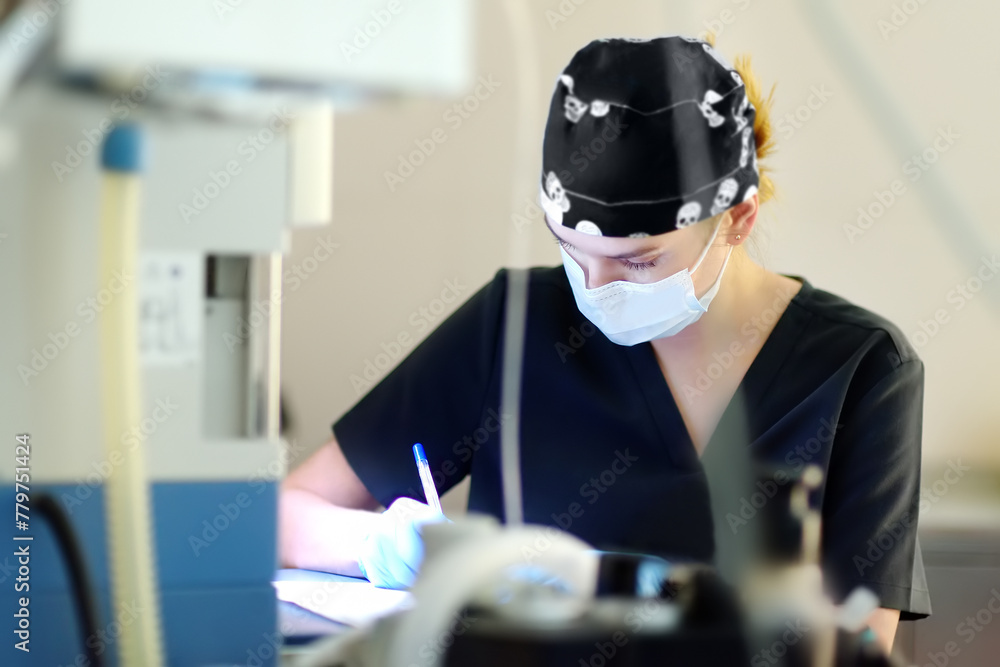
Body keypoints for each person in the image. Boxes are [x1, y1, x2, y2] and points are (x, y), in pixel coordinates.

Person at [279, 35, 930, 652]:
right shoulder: (517, 324)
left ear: (738, 218)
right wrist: (384, 544)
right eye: (572, 251)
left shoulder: (860, 369)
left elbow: (857, 647)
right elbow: (282, 515)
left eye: (638, 262)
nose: (595, 288)